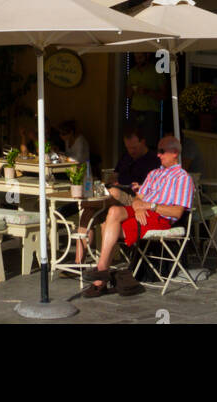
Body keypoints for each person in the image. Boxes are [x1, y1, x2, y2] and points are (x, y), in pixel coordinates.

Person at [81, 135, 194, 298]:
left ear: (175, 152)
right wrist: (138, 206)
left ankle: (100, 277)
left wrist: (150, 206)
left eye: (162, 151)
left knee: (107, 224)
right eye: (158, 151)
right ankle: (103, 271)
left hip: (160, 217)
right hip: (143, 212)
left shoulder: (182, 178)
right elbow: (137, 198)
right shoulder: (154, 173)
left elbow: (177, 212)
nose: (158, 155)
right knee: (113, 211)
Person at [75, 124, 158, 261]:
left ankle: (85, 203)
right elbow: (115, 175)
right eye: (128, 148)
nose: (131, 151)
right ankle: (78, 263)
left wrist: (140, 186)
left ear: (143, 142)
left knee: (111, 193)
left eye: (134, 147)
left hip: (136, 198)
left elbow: (156, 187)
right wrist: (113, 179)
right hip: (115, 195)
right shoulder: (126, 157)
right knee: (87, 212)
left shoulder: (153, 160)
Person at [125, 52, 168, 147]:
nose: (138, 61)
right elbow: (128, 95)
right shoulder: (132, 72)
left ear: (147, 56)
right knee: (134, 142)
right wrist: (132, 90)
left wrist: (147, 91)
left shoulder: (157, 71)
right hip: (135, 110)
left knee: (149, 142)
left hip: (151, 112)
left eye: (140, 58)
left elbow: (164, 95)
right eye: (136, 58)